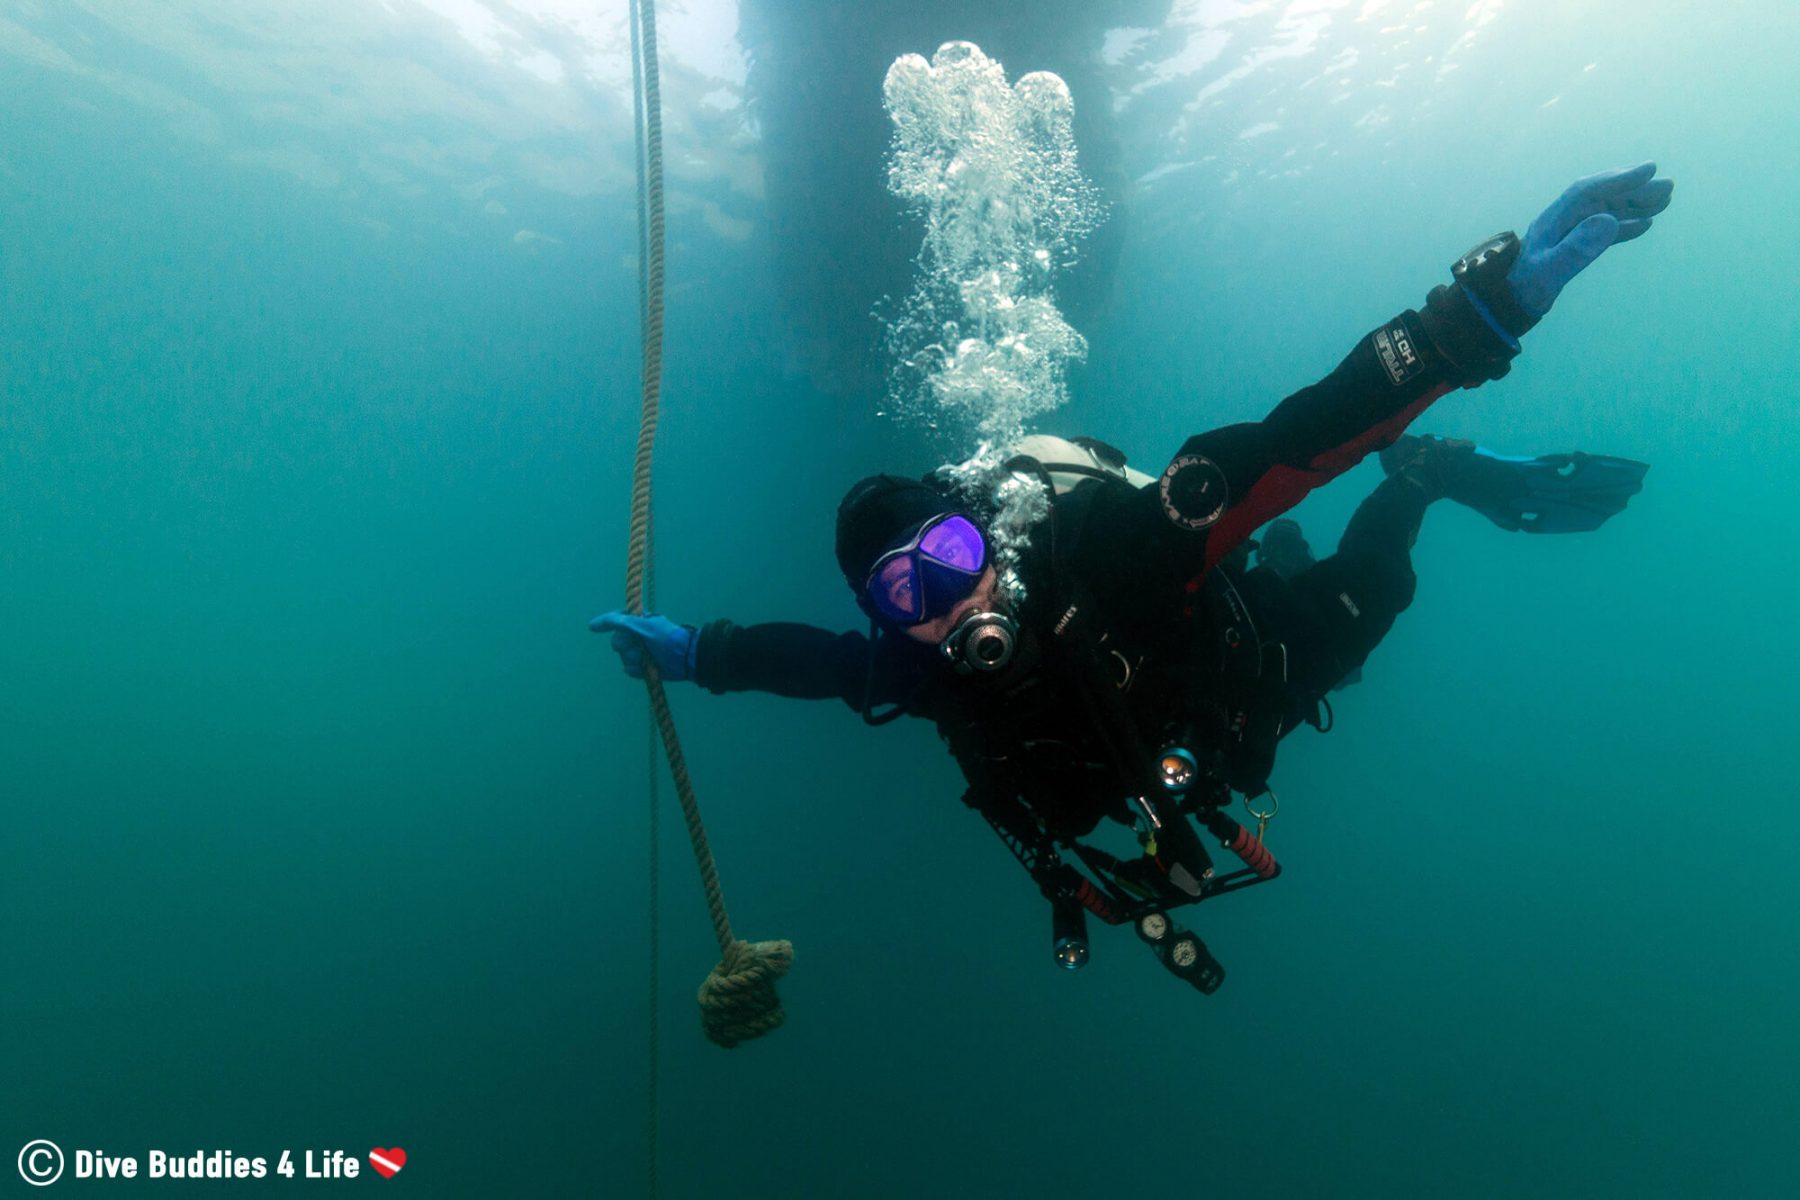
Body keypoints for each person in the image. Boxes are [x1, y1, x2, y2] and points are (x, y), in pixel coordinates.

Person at [594, 163, 1673, 992]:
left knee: (1376, 592)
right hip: (1202, 745)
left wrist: (1475, 316)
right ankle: (1353, 516)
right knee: (1299, 599)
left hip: (1265, 659)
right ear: (885, 618)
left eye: (954, 560)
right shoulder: (920, 674)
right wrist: (702, 656)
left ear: (986, 535)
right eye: (906, 594)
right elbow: (818, 663)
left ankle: (1424, 480)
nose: (952, 604)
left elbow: (1291, 440)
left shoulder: (1113, 550)